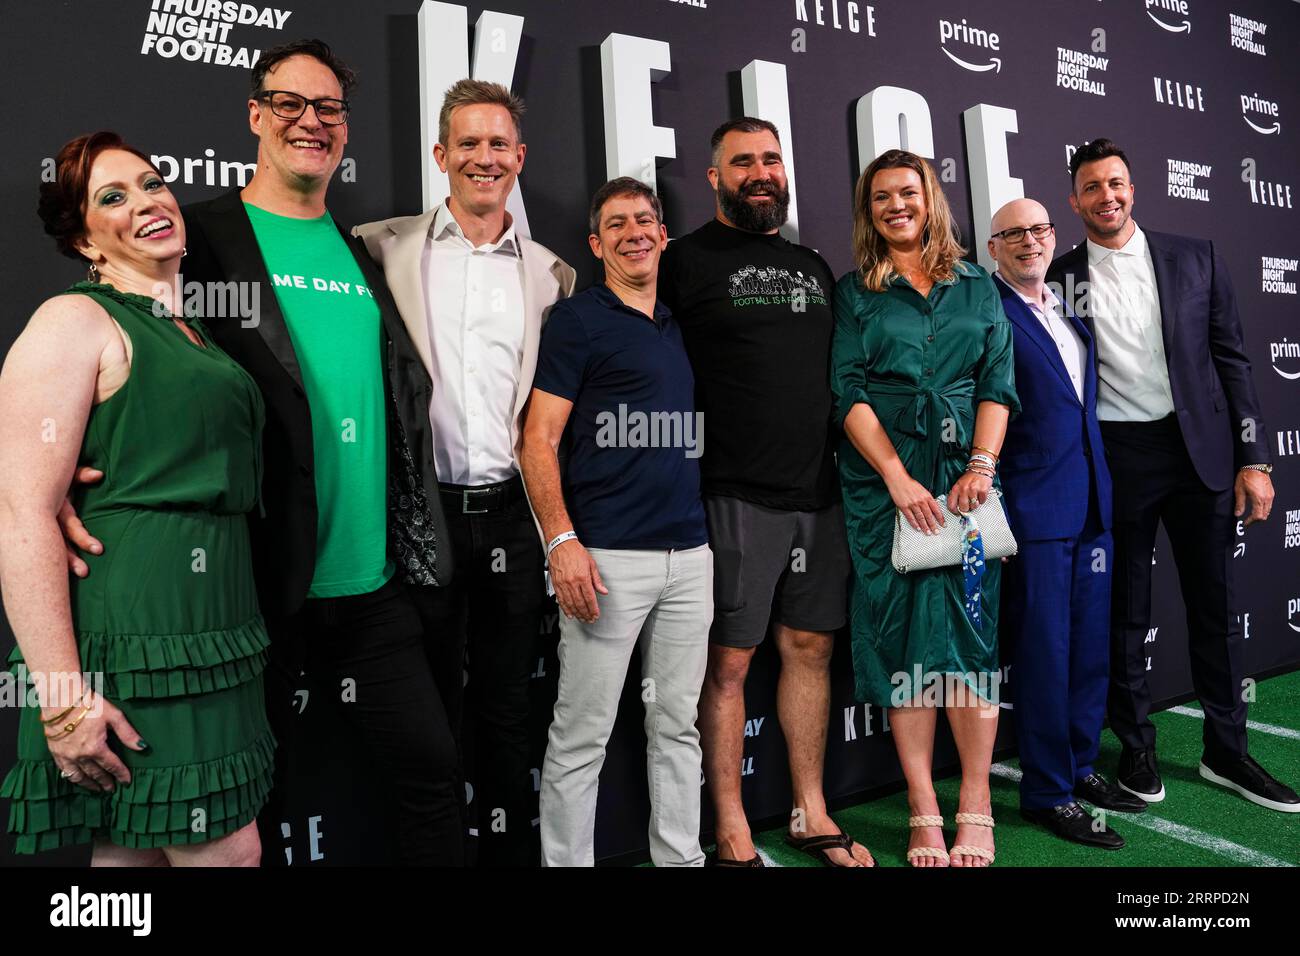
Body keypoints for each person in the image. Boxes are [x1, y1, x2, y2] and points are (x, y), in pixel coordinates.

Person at [60, 40, 466, 865]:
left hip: (373, 584)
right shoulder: (198, 236)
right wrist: (63, 461)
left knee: (433, 777)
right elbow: (124, 339)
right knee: (229, 809)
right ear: (255, 114)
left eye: (327, 109)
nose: (309, 123)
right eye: (289, 104)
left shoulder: (364, 250)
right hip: (250, 589)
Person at [0, 132, 271, 864]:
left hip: (213, 625)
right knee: (227, 852)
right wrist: (60, 701)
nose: (146, 202)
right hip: (141, 625)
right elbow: (21, 510)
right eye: (112, 198)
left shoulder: (188, 329)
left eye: (152, 183)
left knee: (133, 853)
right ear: (85, 237)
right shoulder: (76, 320)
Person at [354, 79, 576, 866]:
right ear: (441, 156)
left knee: (509, 704)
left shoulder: (554, 275)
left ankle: (511, 852)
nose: (485, 158)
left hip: (514, 514)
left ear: (519, 157)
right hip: (422, 515)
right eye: (469, 144)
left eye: (498, 144)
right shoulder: (377, 249)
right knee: (428, 707)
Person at [1048, 138, 1298, 812]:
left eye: (1117, 183)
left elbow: (1234, 360)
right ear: (1075, 201)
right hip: (1118, 458)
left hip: (1201, 454)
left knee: (1214, 609)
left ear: (1135, 187)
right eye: (1093, 187)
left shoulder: (1196, 256)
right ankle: (1135, 747)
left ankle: (1228, 751)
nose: (1108, 196)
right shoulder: (1058, 275)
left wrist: (1255, 458)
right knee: (1124, 613)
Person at [658, 117, 872, 867]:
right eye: (742, 161)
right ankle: (730, 825)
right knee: (731, 663)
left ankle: (810, 811)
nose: (760, 172)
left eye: (771, 159)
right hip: (734, 496)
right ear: (713, 176)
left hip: (822, 493)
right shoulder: (679, 261)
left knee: (810, 649)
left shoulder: (813, 264)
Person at [831, 149, 1019, 867]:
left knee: (971, 644)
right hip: (887, 492)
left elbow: (997, 380)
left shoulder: (979, 286)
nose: (895, 205)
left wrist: (980, 464)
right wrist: (897, 479)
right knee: (904, 648)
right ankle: (922, 807)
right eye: (881, 197)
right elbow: (847, 391)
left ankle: (975, 803)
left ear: (930, 199)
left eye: (907, 192)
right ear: (868, 211)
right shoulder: (855, 293)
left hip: (968, 485)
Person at [521, 178, 712, 867]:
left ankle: (681, 859)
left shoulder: (677, 322)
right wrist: (562, 542)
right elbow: (536, 438)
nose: (635, 232)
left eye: (645, 221)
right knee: (581, 737)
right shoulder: (577, 320)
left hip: (691, 556)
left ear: (663, 235)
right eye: (617, 224)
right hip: (605, 560)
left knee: (677, 727)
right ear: (596, 244)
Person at [988, 198, 1144, 850]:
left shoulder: (1067, 316)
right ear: (994, 247)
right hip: (1035, 511)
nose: (1030, 240)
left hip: (1092, 509)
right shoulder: (989, 316)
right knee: (1046, 654)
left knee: (1087, 650)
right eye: (1014, 233)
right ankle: (1047, 790)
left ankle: (1081, 766)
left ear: (1055, 238)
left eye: (1039, 230)